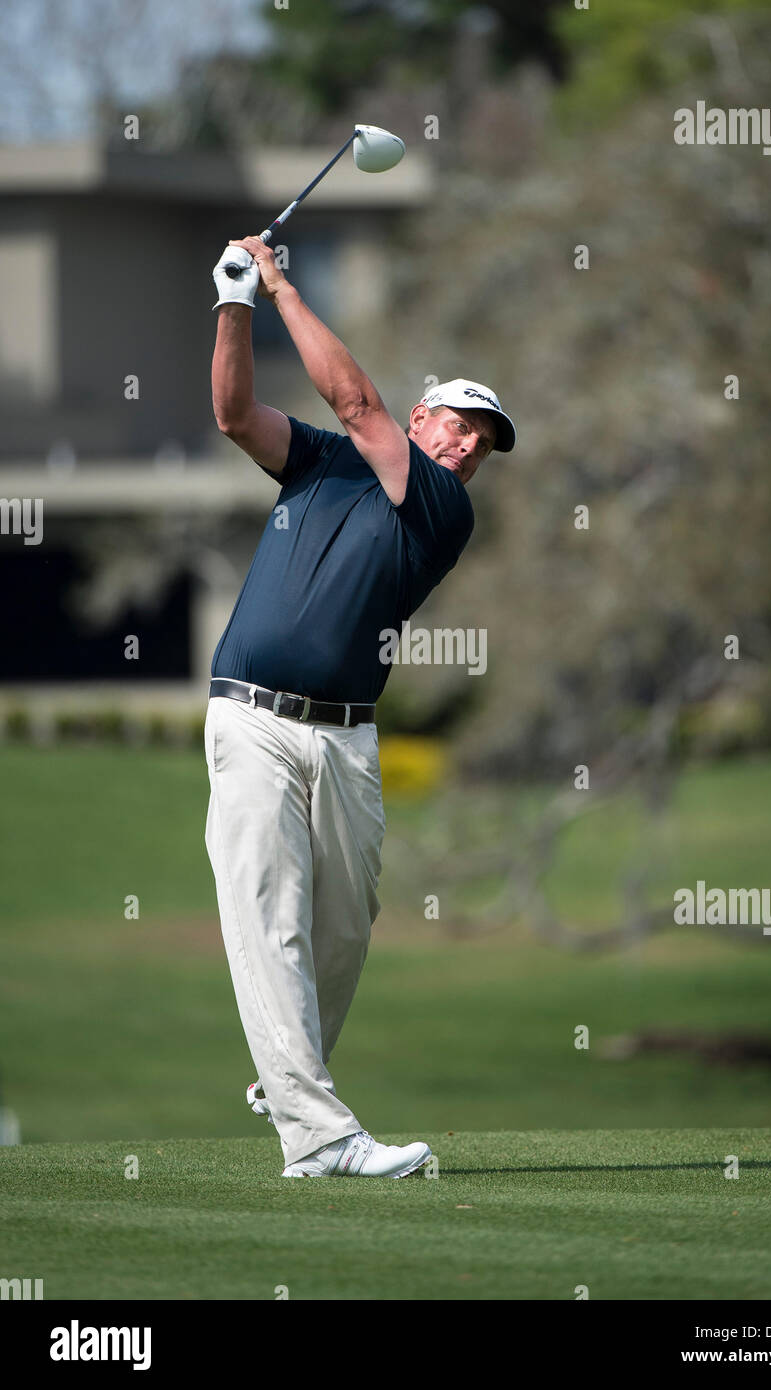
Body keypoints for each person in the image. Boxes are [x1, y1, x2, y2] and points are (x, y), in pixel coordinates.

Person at [205, 235, 516, 1178]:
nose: (468, 447)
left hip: (346, 738)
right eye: (461, 424)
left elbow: (356, 399)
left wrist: (281, 284)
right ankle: (319, 1135)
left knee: (344, 926)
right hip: (251, 719)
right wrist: (234, 305)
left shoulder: (440, 509)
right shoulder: (320, 462)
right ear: (428, 416)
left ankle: (287, 1067)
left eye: (483, 443)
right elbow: (231, 414)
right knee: (273, 918)